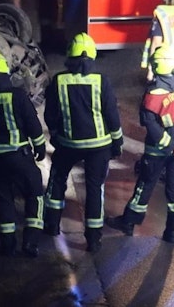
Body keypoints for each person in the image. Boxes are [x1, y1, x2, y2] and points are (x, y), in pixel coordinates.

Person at [108, 45, 174, 244]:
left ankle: (128, 223)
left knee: (145, 185)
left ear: (156, 66)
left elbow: (149, 123)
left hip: (157, 151)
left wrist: (168, 145)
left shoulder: (152, 93)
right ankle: (171, 232)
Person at [43, 32, 124, 254]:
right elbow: (112, 115)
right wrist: (117, 142)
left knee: (57, 181)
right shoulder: (101, 81)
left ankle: (51, 225)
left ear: (70, 56)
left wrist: (56, 135)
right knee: (95, 189)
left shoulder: (59, 81)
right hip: (99, 146)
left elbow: (50, 115)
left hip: (68, 144)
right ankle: (94, 239)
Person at [0, 50, 48, 257]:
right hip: (18, 155)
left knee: (4, 199)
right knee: (35, 195)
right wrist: (40, 147)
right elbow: (33, 125)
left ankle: (8, 245)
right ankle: (30, 243)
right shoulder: (17, 96)